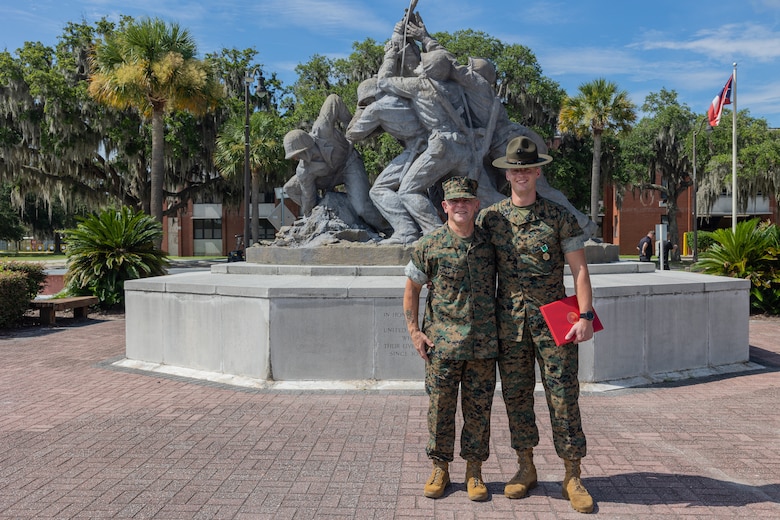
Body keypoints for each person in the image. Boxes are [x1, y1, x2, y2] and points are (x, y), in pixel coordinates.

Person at [476, 136, 596, 513]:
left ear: (537, 172)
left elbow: (579, 270)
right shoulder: (490, 219)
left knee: (564, 397)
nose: (521, 174)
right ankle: (525, 467)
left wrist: (587, 316)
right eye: (516, 169)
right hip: (509, 323)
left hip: (555, 320)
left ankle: (572, 474)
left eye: (527, 168)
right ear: (507, 174)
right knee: (516, 397)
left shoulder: (559, 216)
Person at [403, 176, 498, 501]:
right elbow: (412, 289)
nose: (460, 206)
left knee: (478, 412)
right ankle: (440, 468)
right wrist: (415, 332)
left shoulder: (490, 245)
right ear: (444, 206)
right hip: (441, 347)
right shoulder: (429, 245)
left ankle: (474, 471)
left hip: (483, 346)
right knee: (440, 410)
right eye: (454, 201)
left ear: (476, 205)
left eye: (466, 201)